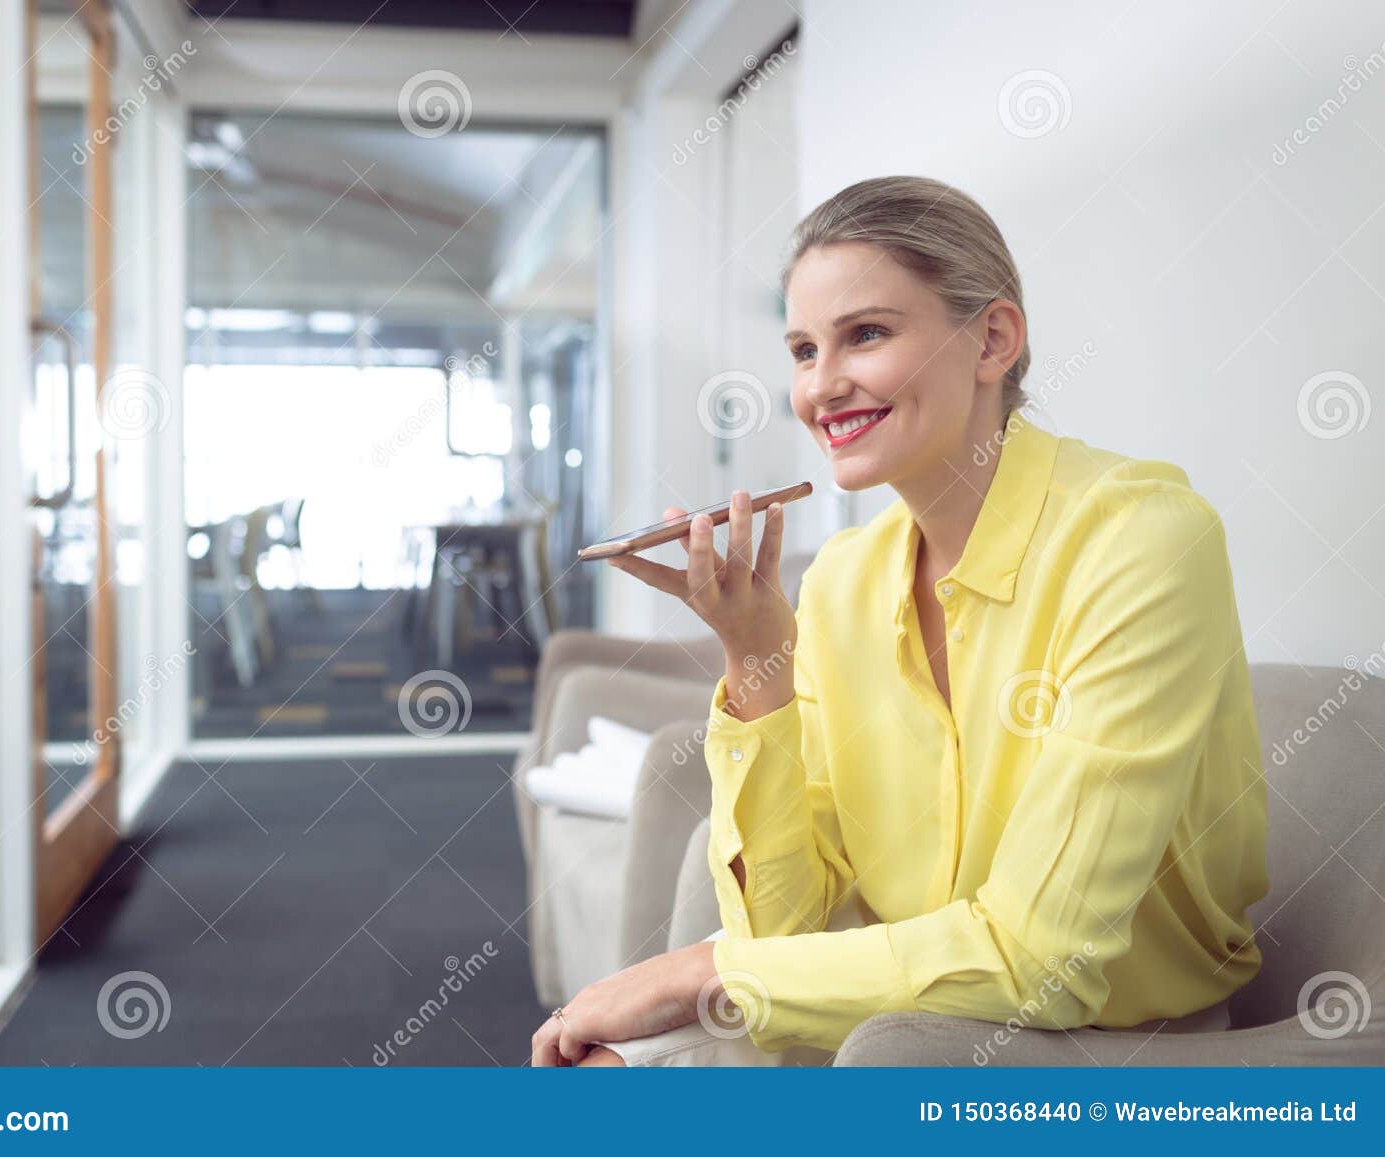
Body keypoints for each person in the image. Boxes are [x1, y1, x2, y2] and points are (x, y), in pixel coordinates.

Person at [530, 175, 1268, 1068]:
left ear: (992, 339)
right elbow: (784, 930)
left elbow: (1043, 961)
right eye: (804, 349)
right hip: (907, 1006)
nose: (821, 386)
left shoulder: (1143, 542)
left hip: (1112, 1043)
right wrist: (757, 659)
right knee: (599, 1071)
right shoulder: (843, 580)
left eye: (867, 334)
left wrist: (698, 971)